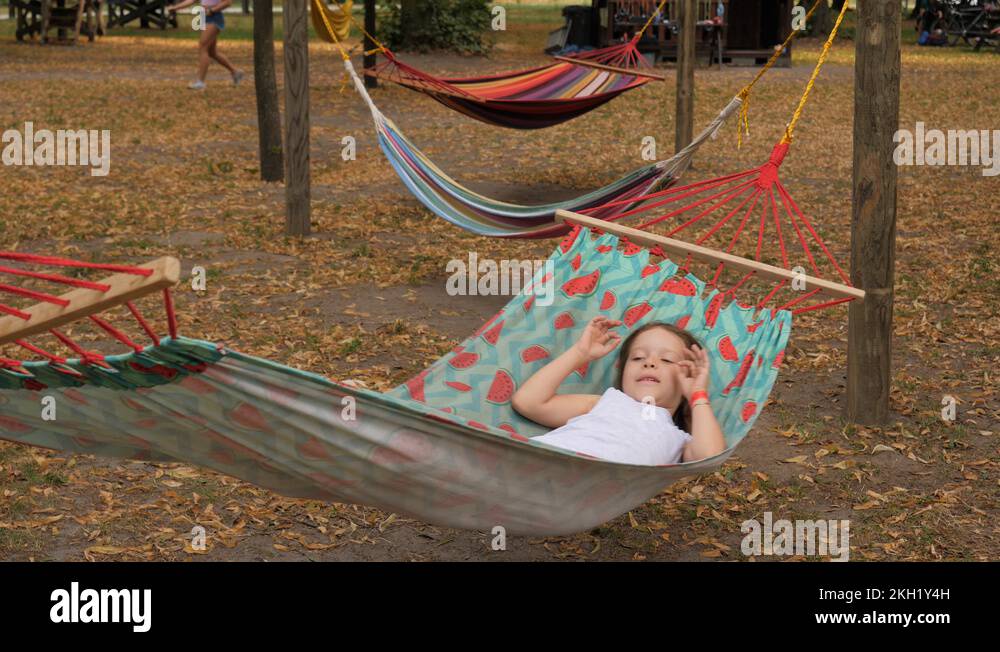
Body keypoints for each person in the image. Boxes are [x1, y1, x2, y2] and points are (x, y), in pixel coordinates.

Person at [512, 317, 726, 466]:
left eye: (666, 359)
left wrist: (697, 394)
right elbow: (528, 402)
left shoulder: (679, 439)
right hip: (533, 459)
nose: (649, 363)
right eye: (638, 357)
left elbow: (709, 456)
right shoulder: (605, 403)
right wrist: (580, 353)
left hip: (583, 486)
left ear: (687, 377)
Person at [165, 0, 244, 90]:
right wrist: (175, 8)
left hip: (214, 17)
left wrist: (212, 10)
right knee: (212, 52)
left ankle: (200, 82)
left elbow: (227, 2)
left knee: (203, 47)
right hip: (204, 16)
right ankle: (236, 72)